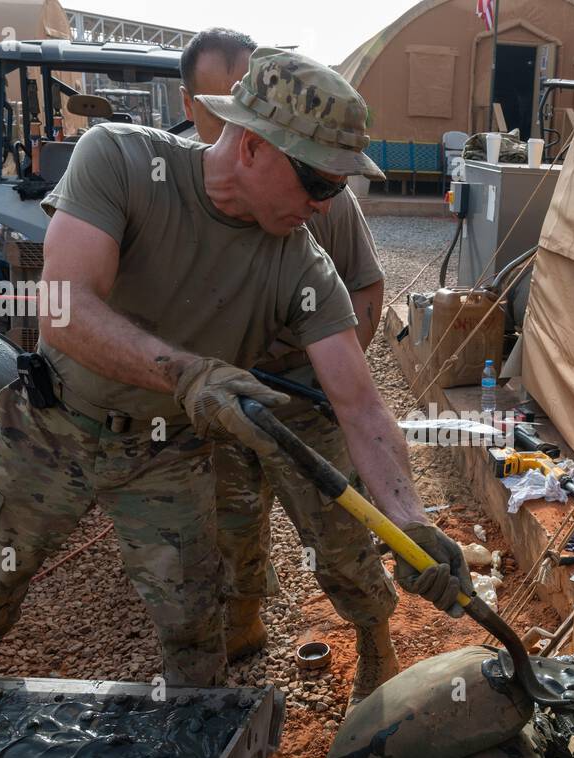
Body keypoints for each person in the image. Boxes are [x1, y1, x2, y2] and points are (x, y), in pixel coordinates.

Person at [0, 48, 474, 689]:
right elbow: (63, 308)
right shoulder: (120, 160)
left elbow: (359, 405)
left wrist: (410, 521)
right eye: (320, 182)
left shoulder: (301, 265)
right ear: (249, 147)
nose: (327, 205)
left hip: (165, 452)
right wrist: (188, 374)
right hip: (51, 428)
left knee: (194, 631)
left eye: (339, 186)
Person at [179, 28, 397, 703]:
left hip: (301, 399)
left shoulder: (321, 196)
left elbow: (366, 288)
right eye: (225, 100)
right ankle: (242, 622)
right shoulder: (176, 189)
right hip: (214, 399)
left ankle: (375, 642)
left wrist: (333, 379)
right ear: (197, 108)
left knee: (338, 535)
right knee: (227, 526)